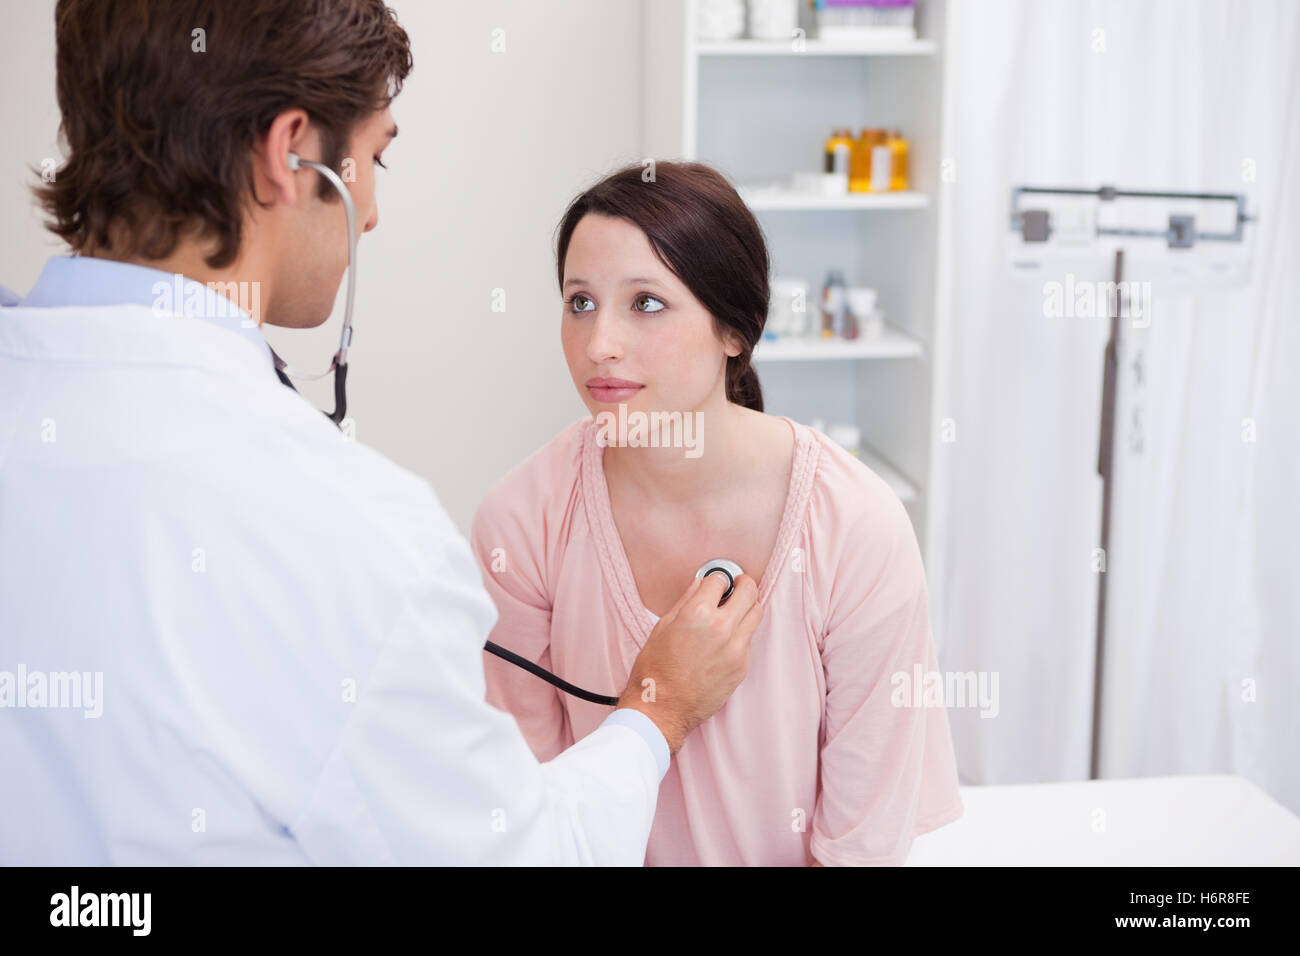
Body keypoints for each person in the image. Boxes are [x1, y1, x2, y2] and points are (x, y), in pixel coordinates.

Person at [0, 0, 761, 865]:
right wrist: (656, 713)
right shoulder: (360, 539)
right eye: (373, 159)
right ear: (291, 157)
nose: (368, 213)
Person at [472, 161, 964, 866]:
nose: (598, 342)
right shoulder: (520, 526)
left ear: (734, 329)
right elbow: (532, 829)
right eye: (580, 302)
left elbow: (859, 850)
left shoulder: (858, 530)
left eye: (645, 303)